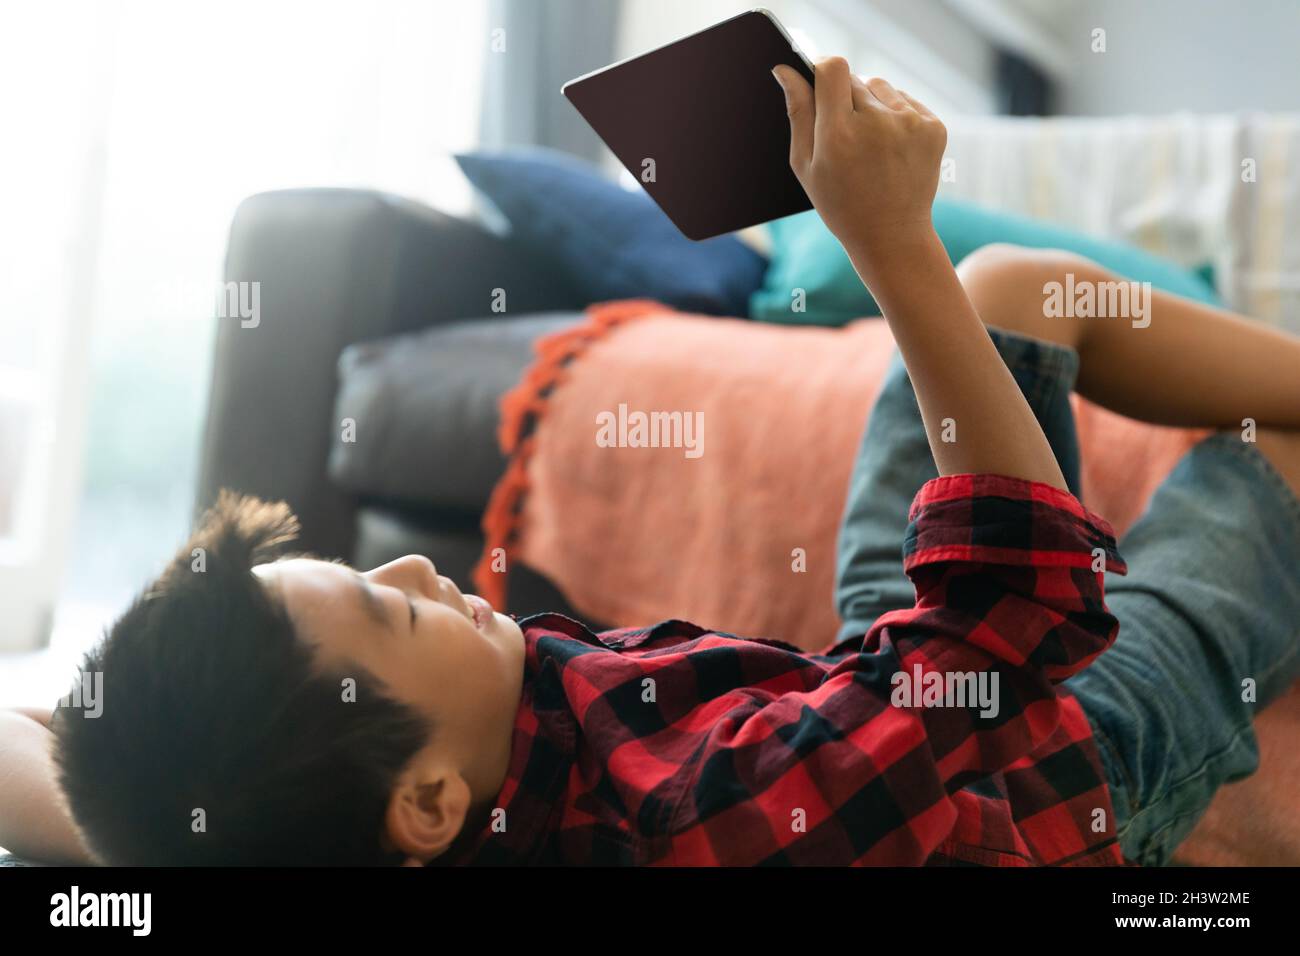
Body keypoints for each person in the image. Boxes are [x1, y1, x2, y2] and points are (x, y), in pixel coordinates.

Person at [2, 59, 1298, 866]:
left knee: (1006, 289)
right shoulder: (704, 826)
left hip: (870, 697)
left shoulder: (318, 812)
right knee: (1268, 468)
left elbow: (60, 785)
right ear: (430, 806)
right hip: (1056, 763)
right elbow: (1019, 617)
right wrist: (885, 239)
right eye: (389, 603)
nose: (413, 562)